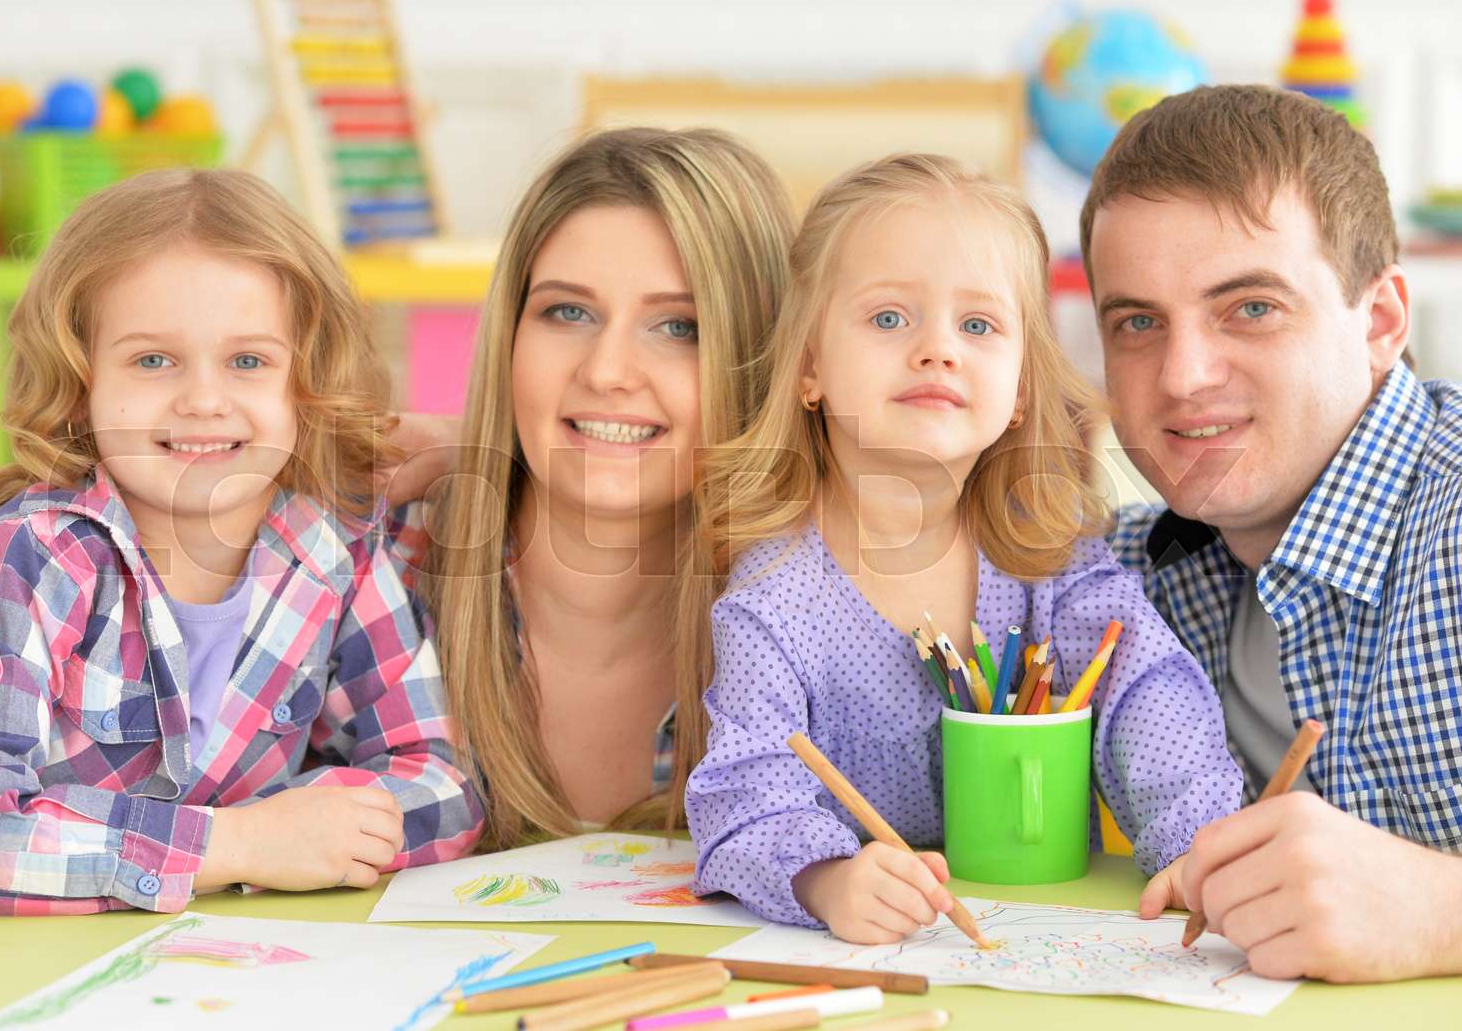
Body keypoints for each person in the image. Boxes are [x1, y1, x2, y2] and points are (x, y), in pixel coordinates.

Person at [0, 168, 481, 928]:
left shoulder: (337, 557)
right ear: (81, 380)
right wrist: (239, 844)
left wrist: (312, 831)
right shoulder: (27, 560)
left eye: (248, 361)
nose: (203, 399)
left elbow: (442, 785)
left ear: (305, 381)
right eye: (153, 360)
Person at [686, 153, 1241, 943]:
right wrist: (825, 879)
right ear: (809, 365)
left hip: (1042, 944)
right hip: (870, 966)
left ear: (1018, 390)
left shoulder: (1054, 564)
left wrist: (1202, 845)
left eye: (977, 325)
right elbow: (748, 784)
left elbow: (1150, 701)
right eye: (888, 318)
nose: (937, 349)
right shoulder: (773, 597)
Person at [1090, 84, 1462, 982]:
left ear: (1378, 321)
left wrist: (1441, 914)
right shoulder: (1134, 574)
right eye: (1138, 323)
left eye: (1250, 307)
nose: (1182, 377)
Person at [402, 127, 795, 850]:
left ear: (759, 360)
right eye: (568, 312)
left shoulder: (811, 621)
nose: (608, 370)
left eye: (680, 326)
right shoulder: (374, 583)